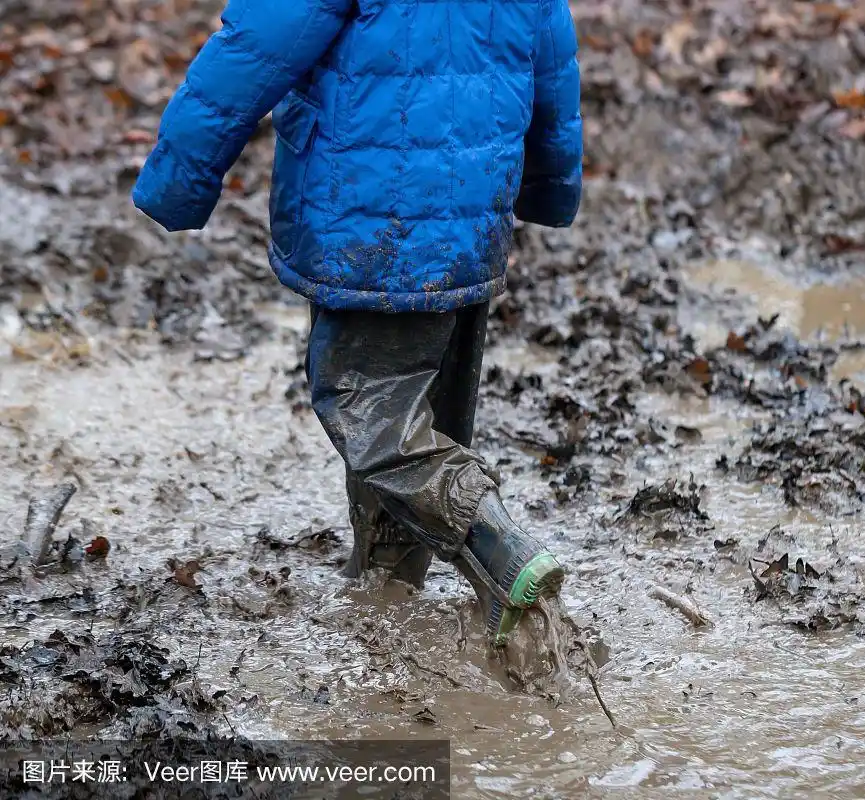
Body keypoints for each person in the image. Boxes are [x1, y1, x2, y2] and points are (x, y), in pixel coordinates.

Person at [130, 0, 583, 647]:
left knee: (372, 417)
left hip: (369, 222)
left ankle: (497, 542)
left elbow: (251, 54)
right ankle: (390, 604)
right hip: (473, 222)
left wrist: (178, 179)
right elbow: (554, 73)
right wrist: (550, 188)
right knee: (425, 424)